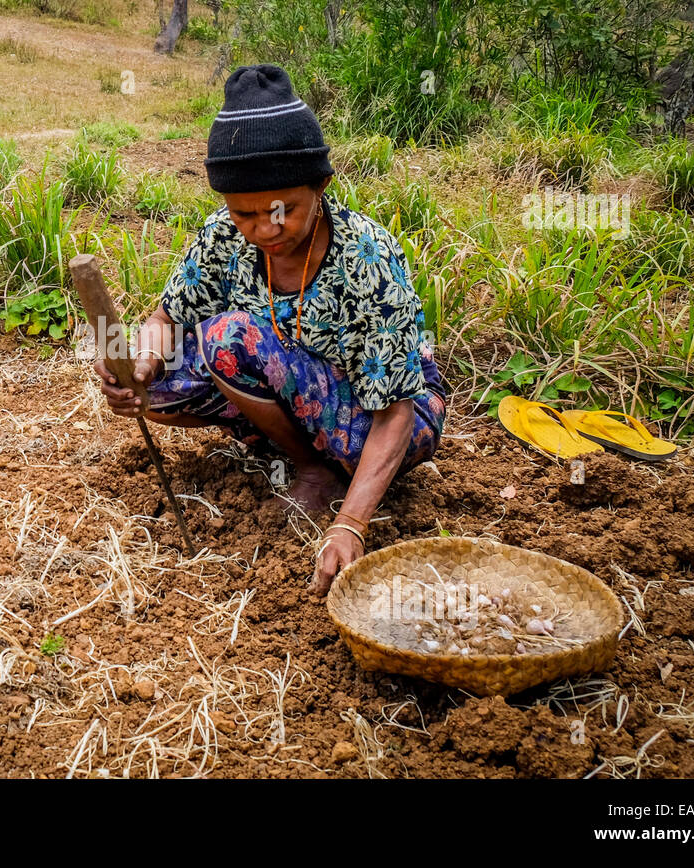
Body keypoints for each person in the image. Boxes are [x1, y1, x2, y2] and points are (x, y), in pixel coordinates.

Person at [93, 64, 448, 597]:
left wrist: (351, 523)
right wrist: (136, 362)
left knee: (229, 338)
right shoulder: (222, 237)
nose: (264, 229)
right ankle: (298, 450)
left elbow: (394, 410)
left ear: (321, 185)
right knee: (155, 386)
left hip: (385, 418)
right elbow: (167, 318)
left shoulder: (364, 256)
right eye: (244, 213)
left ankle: (319, 471)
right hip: (290, 391)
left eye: (283, 210)